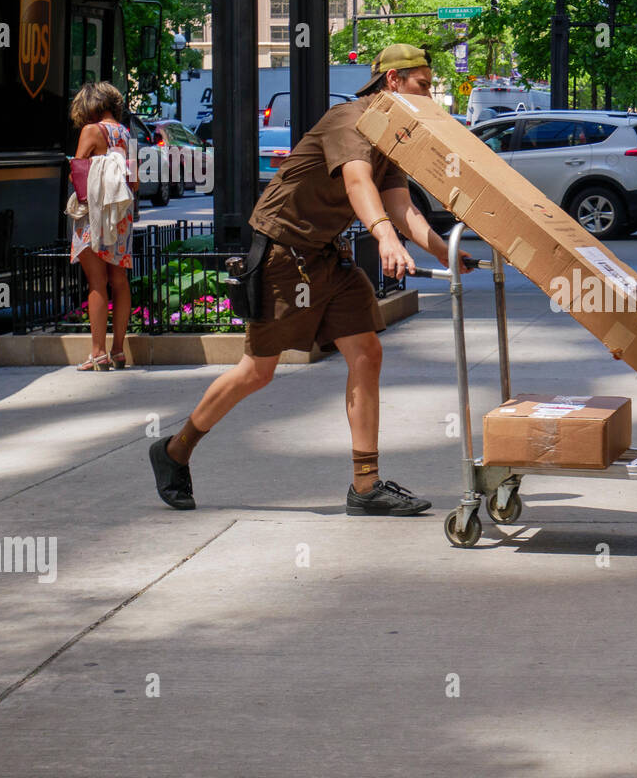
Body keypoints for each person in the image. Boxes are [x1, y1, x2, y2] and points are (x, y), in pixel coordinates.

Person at [149, 44, 471, 517]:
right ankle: (175, 449)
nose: (430, 95)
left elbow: (400, 204)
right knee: (258, 371)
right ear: (393, 82)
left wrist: (447, 252)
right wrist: (383, 237)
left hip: (325, 254)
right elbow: (358, 183)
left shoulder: (393, 140)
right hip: (282, 250)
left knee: (367, 351)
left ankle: (365, 485)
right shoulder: (351, 120)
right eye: (423, 84)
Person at [68, 82, 137, 371]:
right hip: (122, 214)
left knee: (96, 283)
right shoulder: (126, 133)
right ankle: (118, 351)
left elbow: (78, 170)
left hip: (94, 215)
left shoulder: (91, 131)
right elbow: (133, 179)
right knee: (119, 282)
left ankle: (97, 353)